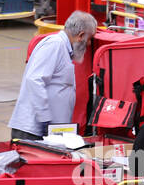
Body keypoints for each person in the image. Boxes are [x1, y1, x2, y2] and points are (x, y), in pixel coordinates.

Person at [9, 10, 97, 142]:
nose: (89, 44)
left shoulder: (63, 49)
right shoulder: (54, 45)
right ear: (81, 35)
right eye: (89, 39)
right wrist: (45, 119)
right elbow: (34, 80)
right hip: (33, 131)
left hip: (47, 131)